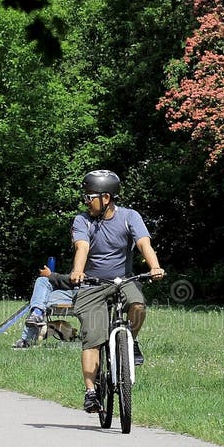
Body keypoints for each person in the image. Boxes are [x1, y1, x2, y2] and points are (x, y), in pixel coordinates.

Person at [69, 169, 164, 413]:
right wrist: (78, 271)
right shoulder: (83, 221)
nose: (86, 202)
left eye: (90, 197)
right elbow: (82, 247)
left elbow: (144, 243)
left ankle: (130, 340)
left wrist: (154, 267)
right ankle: (91, 392)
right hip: (92, 284)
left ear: (107, 198)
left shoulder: (129, 216)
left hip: (124, 280)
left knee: (138, 305)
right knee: (92, 336)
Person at [12, 265, 75, 348]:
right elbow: (70, 282)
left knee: (39, 299)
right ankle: (36, 315)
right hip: (70, 291)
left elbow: (75, 280)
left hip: (83, 293)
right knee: (42, 282)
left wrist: (51, 275)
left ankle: (28, 339)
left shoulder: (89, 256)